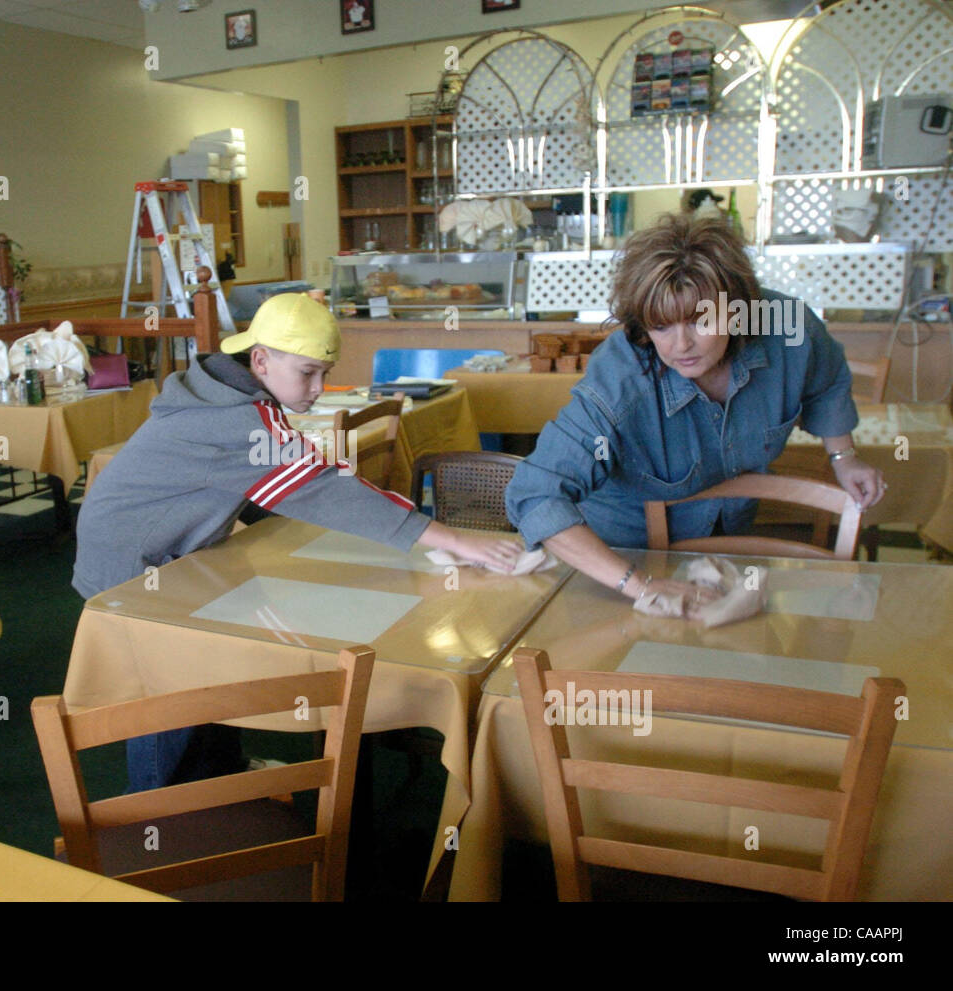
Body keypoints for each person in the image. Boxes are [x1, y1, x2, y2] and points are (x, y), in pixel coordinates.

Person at [74, 292, 523, 790]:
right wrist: (451, 538)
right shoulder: (236, 418)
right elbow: (321, 486)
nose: (318, 387)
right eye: (308, 372)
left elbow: (250, 476)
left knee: (204, 667)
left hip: (157, 546)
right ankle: (158, 811)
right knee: (168, 686)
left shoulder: (229, 391)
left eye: (324, 373)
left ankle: (218, 776)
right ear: (260, 359)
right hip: (133, 561)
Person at [504, 213, 885, 613]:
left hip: (728, 542)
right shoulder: (621, 378)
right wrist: (643, 587)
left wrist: (844, 458)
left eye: (701, 321)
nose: (680, 345)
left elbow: (826, 381)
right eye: (661, 326)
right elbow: (537, 493)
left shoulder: (787, 326)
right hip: (620, 557)